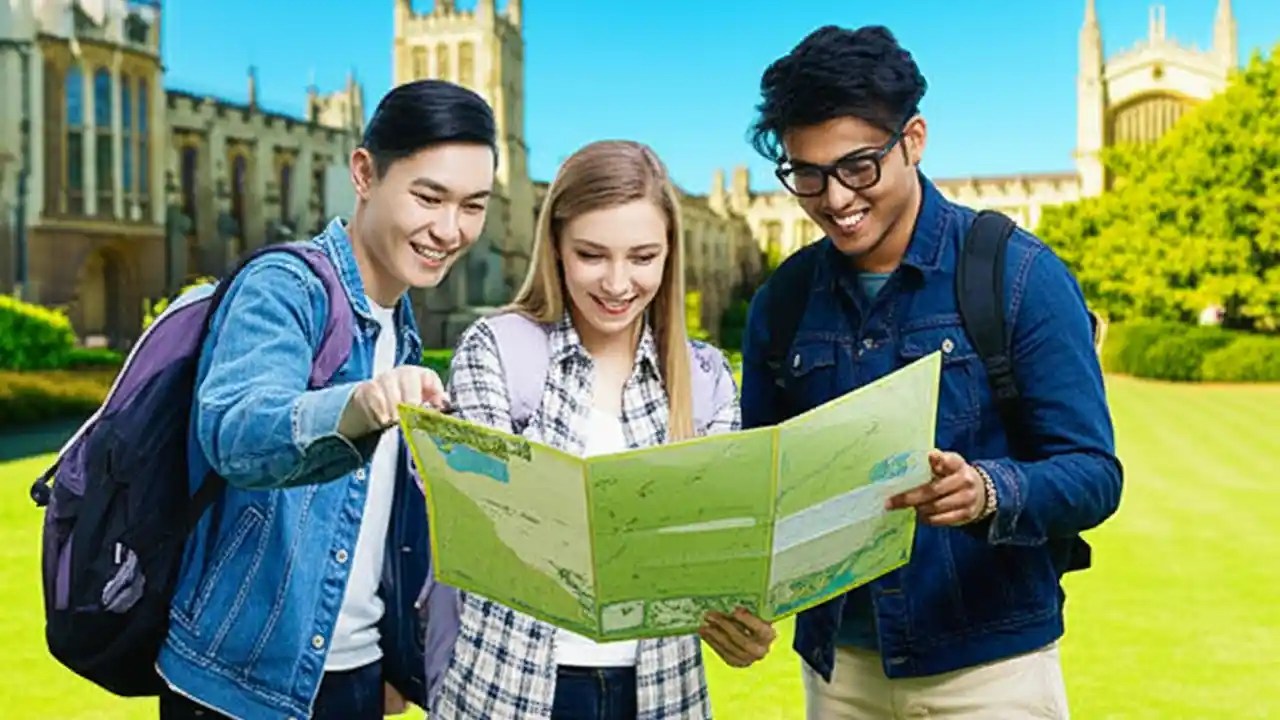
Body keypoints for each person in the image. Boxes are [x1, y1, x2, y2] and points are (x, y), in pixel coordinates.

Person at [739, 25, 1123, 719]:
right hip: (839, 671)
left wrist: (989, 491)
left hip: (991, 670)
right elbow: (761, 491)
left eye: (858, 166)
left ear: (913, 140)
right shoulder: (784, 302)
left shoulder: (1017, 274)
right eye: (807, 174)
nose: (834, 199)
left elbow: (1095, 473)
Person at [154, 79, 498, 719]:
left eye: (472, 205)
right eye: (429, 197)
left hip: (353, 681)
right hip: (237, 686)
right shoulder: (285, 286)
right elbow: (236, 430)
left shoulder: (401, 323)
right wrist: (358, 407)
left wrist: (385, 658)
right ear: (364, 174)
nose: (450, 230)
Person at [430, 139, 777, 719]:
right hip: (510, 692)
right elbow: (482, 536)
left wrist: (744, 622)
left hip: (661, 697)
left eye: (643, 257)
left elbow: (721, 559)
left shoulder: (707, 377)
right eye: (592, 255)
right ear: (557, 249)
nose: (618, 284)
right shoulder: (497, 350)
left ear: (670, 254)